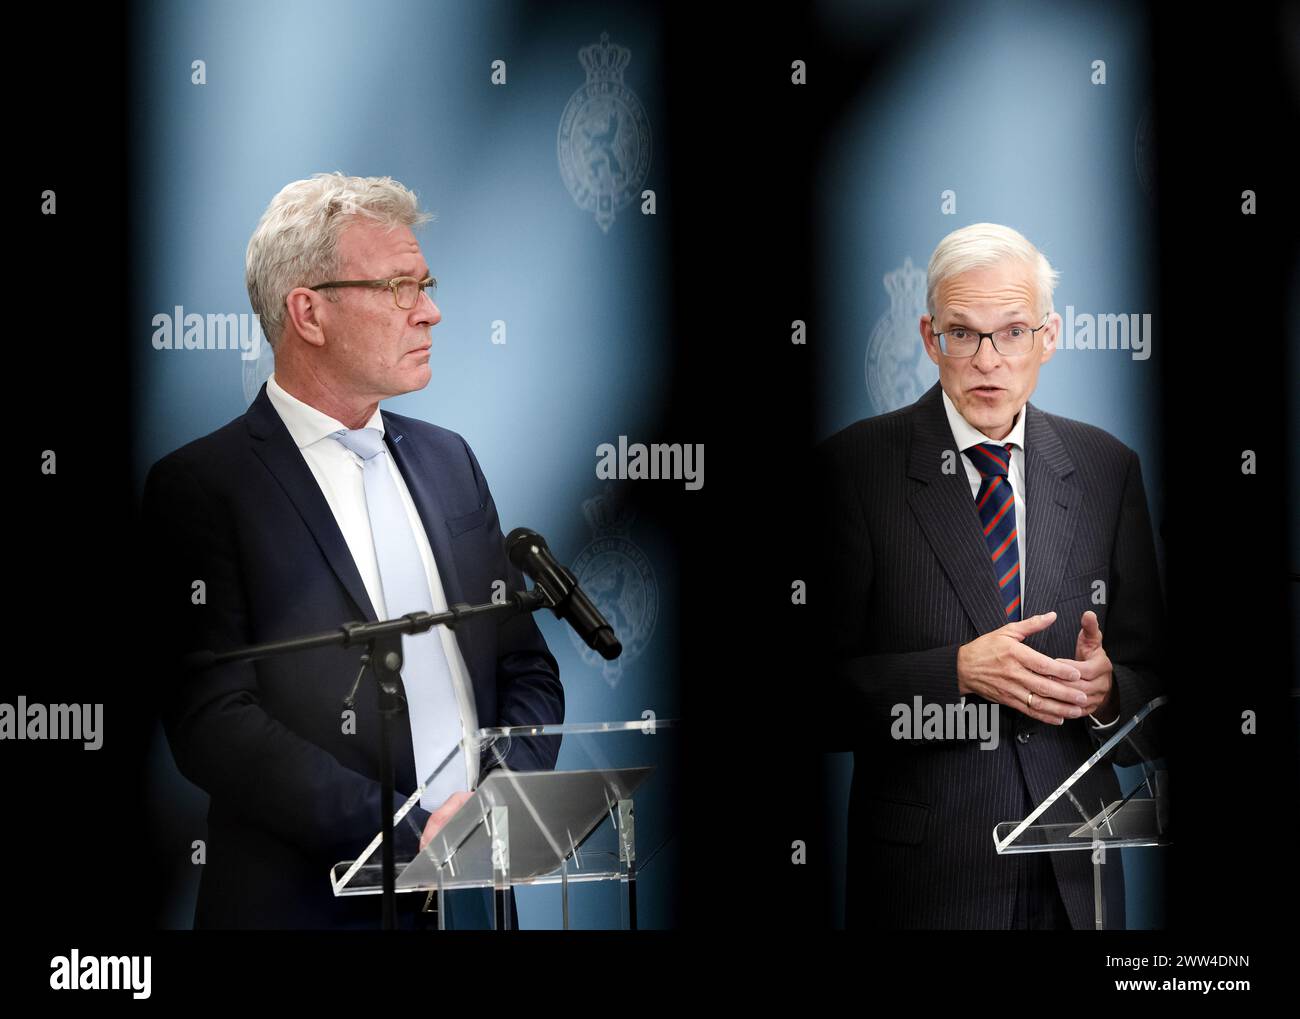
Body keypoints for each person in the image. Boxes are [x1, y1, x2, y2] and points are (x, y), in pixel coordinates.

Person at [140, 172, 564, 929]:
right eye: (399, 287)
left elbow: (523, 665)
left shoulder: (450, 460)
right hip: (305, 910)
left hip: (474, 900)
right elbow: (215, 721)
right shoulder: (202, 486)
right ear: (309, 311)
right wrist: (408, 835)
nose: (430, 310)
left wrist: (491, 811)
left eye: (425, 283)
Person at [814, 222, 1165, 929]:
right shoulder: (853, 471)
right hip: (927, 881)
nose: (987, 360)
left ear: (1049, 337)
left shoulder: (1107, 468)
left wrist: (1108, 691)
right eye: (962, 333)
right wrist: (957, 673)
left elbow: (1153, 685)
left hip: (1078, 875)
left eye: (1011, 332)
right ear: (927, 336)